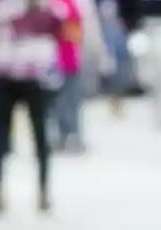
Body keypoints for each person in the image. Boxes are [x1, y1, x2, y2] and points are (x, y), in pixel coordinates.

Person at [0, 0, 71, 214]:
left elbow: (61, 26)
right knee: (0, 135)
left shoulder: (50, 7)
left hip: (36, 76)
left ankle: (43, 190)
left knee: (41, 134)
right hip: (3, 74)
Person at [51, 0, 104, 151]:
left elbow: (88, 30)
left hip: (71, 59)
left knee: (72, 99)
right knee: (56, 102)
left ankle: (73, 135)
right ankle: (59, 135)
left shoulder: (79, 4)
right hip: (51, 60)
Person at [95, 0, 137, 115]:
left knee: (121, 72)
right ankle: (113, 99)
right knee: (111, 72)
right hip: (105, 34)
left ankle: (118, 99)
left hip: (120, 33)